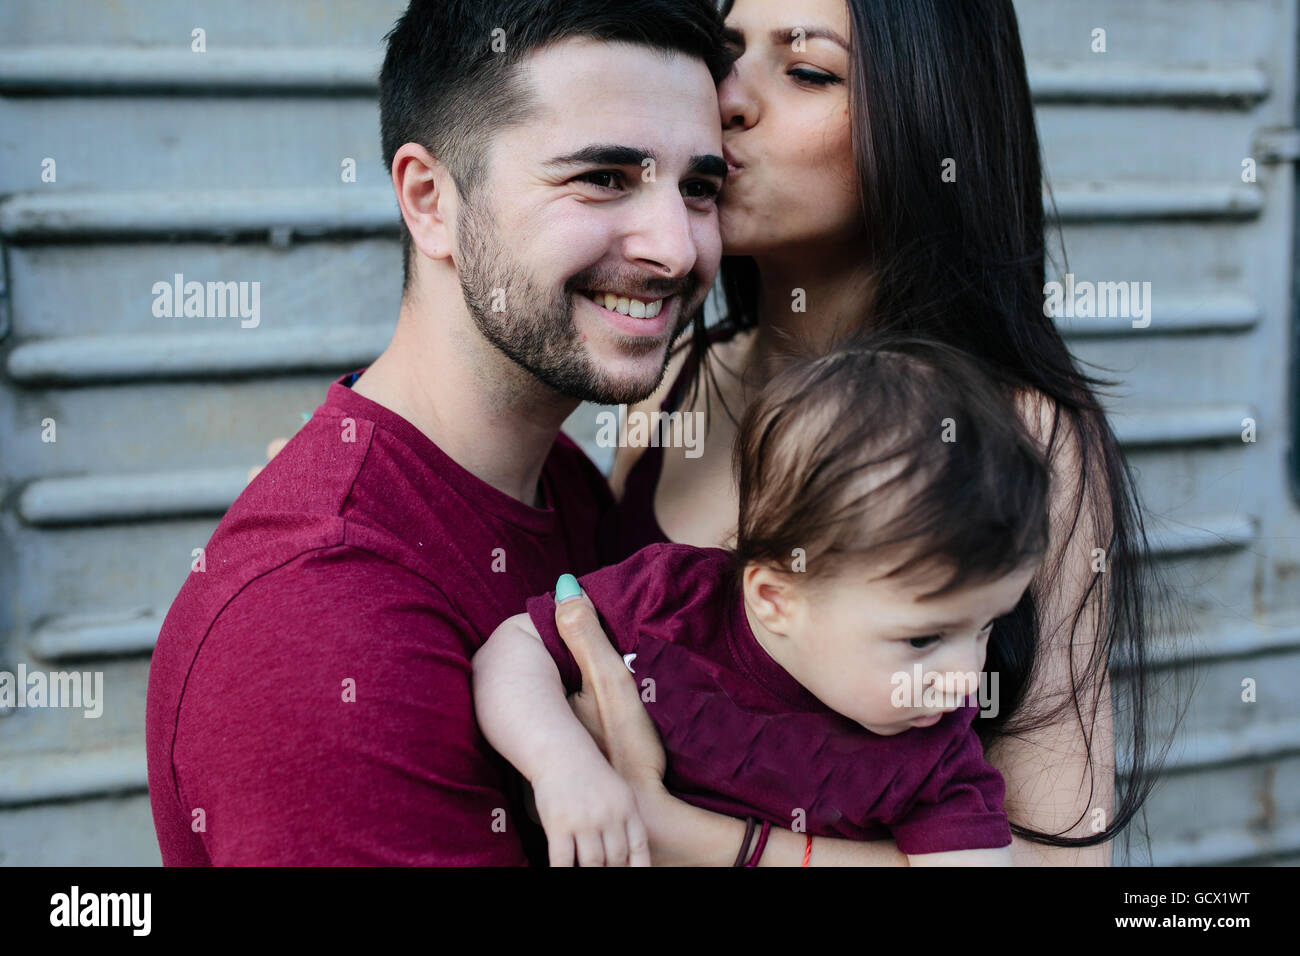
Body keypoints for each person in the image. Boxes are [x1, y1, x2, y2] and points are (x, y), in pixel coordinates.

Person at [553, 0, 1181, 866]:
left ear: (927, 117)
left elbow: (1053, 865)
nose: (729, 96)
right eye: (728, 51)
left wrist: (680, 835)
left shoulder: (1022, 431)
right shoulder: (673, 382)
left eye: (807, 70)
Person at [145, 0, 733, 865]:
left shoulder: (560, 482)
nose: (677, 250)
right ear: (430, 201)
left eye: (699, 188)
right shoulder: (317, 622)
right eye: (603, 178)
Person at [474, 339, 1051, 867]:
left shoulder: (933, 752)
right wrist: (561, 766)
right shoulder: (671, 601)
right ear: (776, 598)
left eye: (985, 629)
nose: (965, 680)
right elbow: (512, 649)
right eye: (924, 639)